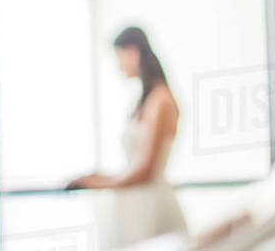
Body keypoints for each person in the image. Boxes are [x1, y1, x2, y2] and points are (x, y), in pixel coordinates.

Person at [68, 26, 188, 248]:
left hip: (149, 207)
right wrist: (100, 178)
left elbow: (145, 170)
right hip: (135, 206)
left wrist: (99, 182)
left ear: (133, 52)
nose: (118, 65)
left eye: (119, 57)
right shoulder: (145, 100)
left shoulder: (161, 100)